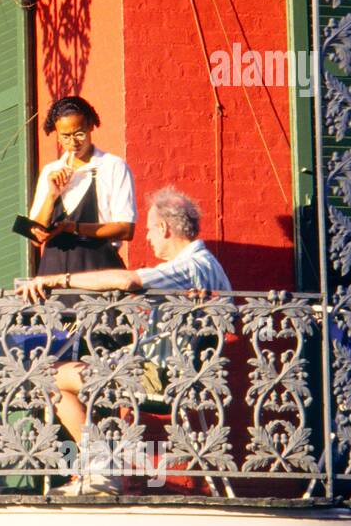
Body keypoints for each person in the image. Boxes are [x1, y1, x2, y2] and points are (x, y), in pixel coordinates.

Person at [20, 187, 230, 494]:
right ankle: (100, 468)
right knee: (60, 375)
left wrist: (58, 279)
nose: (147, 238)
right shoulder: (213, 267)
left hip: (157, 377)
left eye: (149, 231)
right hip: (184, 375)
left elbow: (127, 280)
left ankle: (102, 470)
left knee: (45, 376)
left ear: (164, 228)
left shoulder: (188, 266)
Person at [28, 96, 136, 275]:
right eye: (65, 136)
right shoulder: (50, 171)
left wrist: (72, 228)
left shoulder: (112, 166)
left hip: (99, 273)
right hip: (52, 277)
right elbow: (35, 238)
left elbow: (125, 229)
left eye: (79, 133)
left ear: (91, 126)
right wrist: (51, 195)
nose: (73, 143)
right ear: (57, 134)